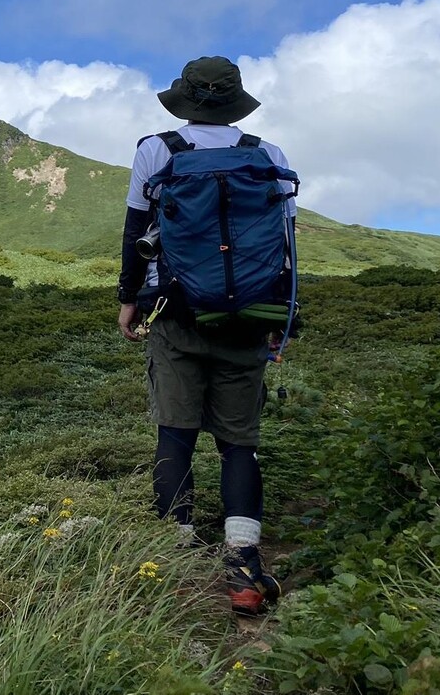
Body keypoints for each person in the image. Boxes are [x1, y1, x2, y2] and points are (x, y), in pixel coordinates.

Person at [115, 56, 291, 615]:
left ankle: (175, 560)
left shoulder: (157, 150)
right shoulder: (268, 155)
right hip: (249, 320)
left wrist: (128, 301)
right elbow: (285, 246)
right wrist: (280, 321)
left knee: (176, 434)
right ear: (235, 101)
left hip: (176, 315)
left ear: (185, 100)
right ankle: (244, 571)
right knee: (239, 444)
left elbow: (135, 232)